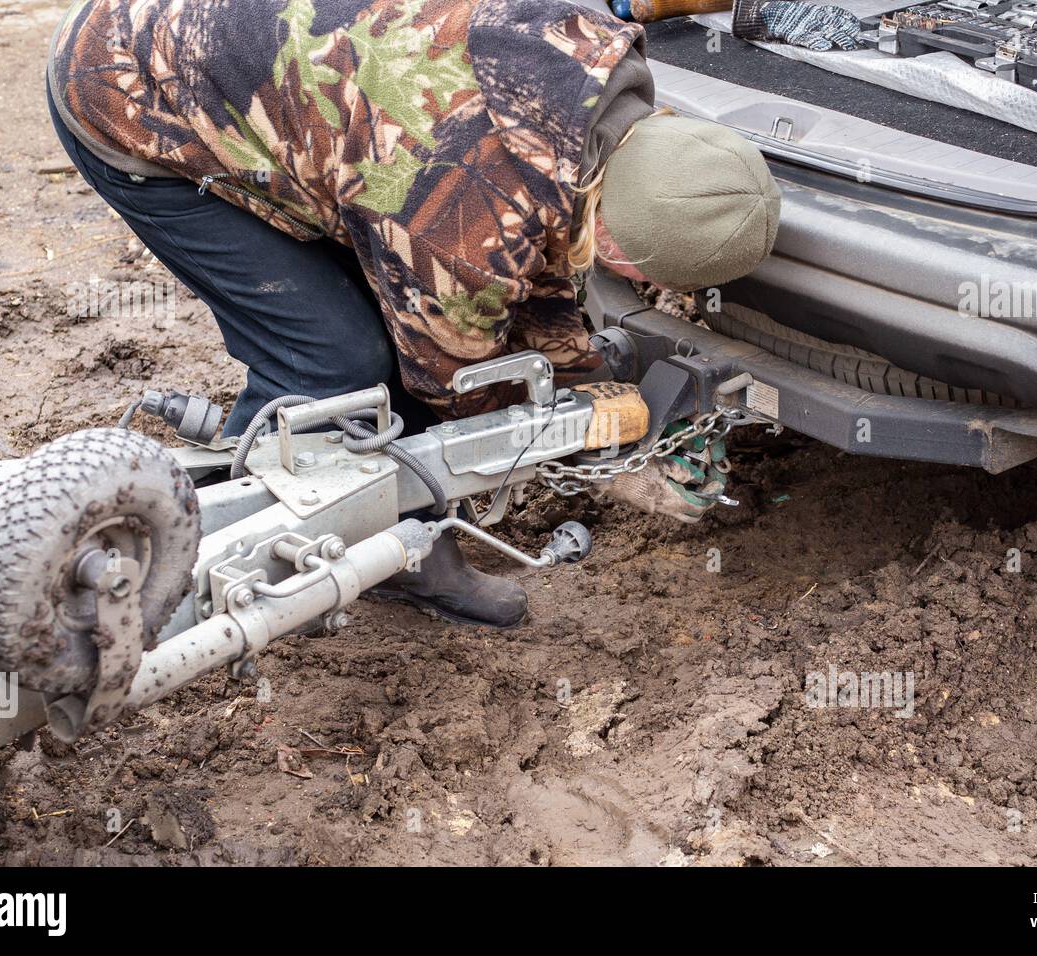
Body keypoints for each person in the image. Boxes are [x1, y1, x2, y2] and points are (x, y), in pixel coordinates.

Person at [47, 0, 782, 627]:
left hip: (293, 82)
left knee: (378, 304)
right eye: (641, 270)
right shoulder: (461, 206)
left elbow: (542, 234)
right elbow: (450, 379)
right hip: (129, 85)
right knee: (333, 358)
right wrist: (598, 456)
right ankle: (225, 545)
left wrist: (579, 370)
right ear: (617, 236)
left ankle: (342, 514)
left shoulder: (589, 64)